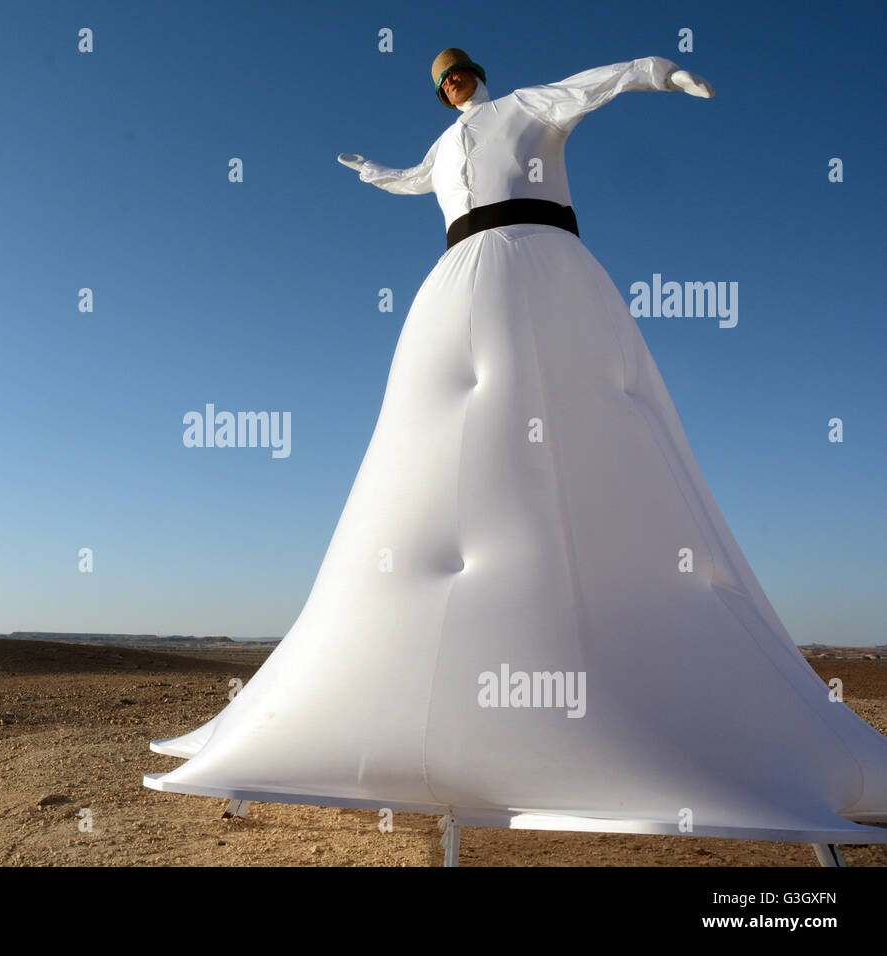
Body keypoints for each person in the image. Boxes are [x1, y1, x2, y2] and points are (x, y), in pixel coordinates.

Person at [144, 49, 887, 849]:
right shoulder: (442, 148)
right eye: (439, 82)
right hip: (457, 285)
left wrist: (662, 73)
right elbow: (417, 179)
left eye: (456, 73)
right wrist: (375, 173)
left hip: (544, 265)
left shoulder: (530, 108)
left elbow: (600, 85)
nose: (450, 85)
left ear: (476, 71)